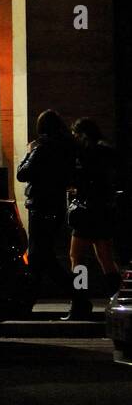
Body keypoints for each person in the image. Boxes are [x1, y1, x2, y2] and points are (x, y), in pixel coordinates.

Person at [15, 110, 75, 307]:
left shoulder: (42, 148)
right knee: (41, 257)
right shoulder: (65, 147)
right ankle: (27, 302)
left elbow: (23, 174)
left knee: (40, 256)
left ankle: (78, 298)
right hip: (55, 205)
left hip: (40, 207)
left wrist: (29, 151)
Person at [65, 117, 121, 320]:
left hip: (88, 211)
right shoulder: (107, 150)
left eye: (76, 135)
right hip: (103, 211)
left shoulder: (88, 153)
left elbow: (80, 178)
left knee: (76, 257)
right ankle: (117, 299)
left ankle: (80, 301)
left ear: (83, 135)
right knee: (106, 258)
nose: (75, 139)